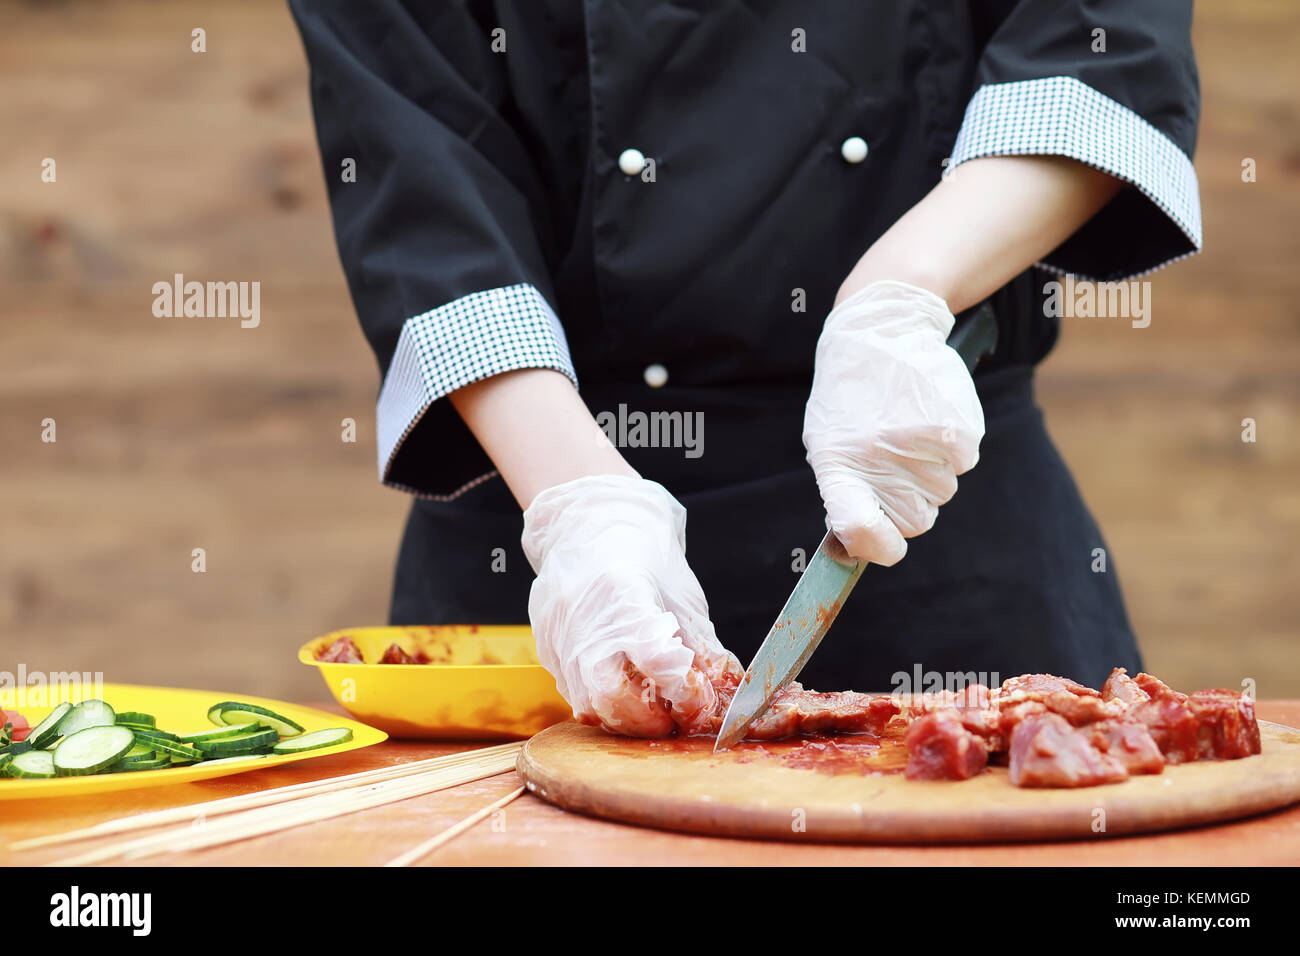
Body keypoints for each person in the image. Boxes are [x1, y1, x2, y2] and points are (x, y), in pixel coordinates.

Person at [288, 1, 1201, 736]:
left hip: (930, 521)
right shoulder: (564, 524)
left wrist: (898, 296)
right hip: (551, 568)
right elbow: (414, 158)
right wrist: (577, 505)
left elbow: (1100, 45)